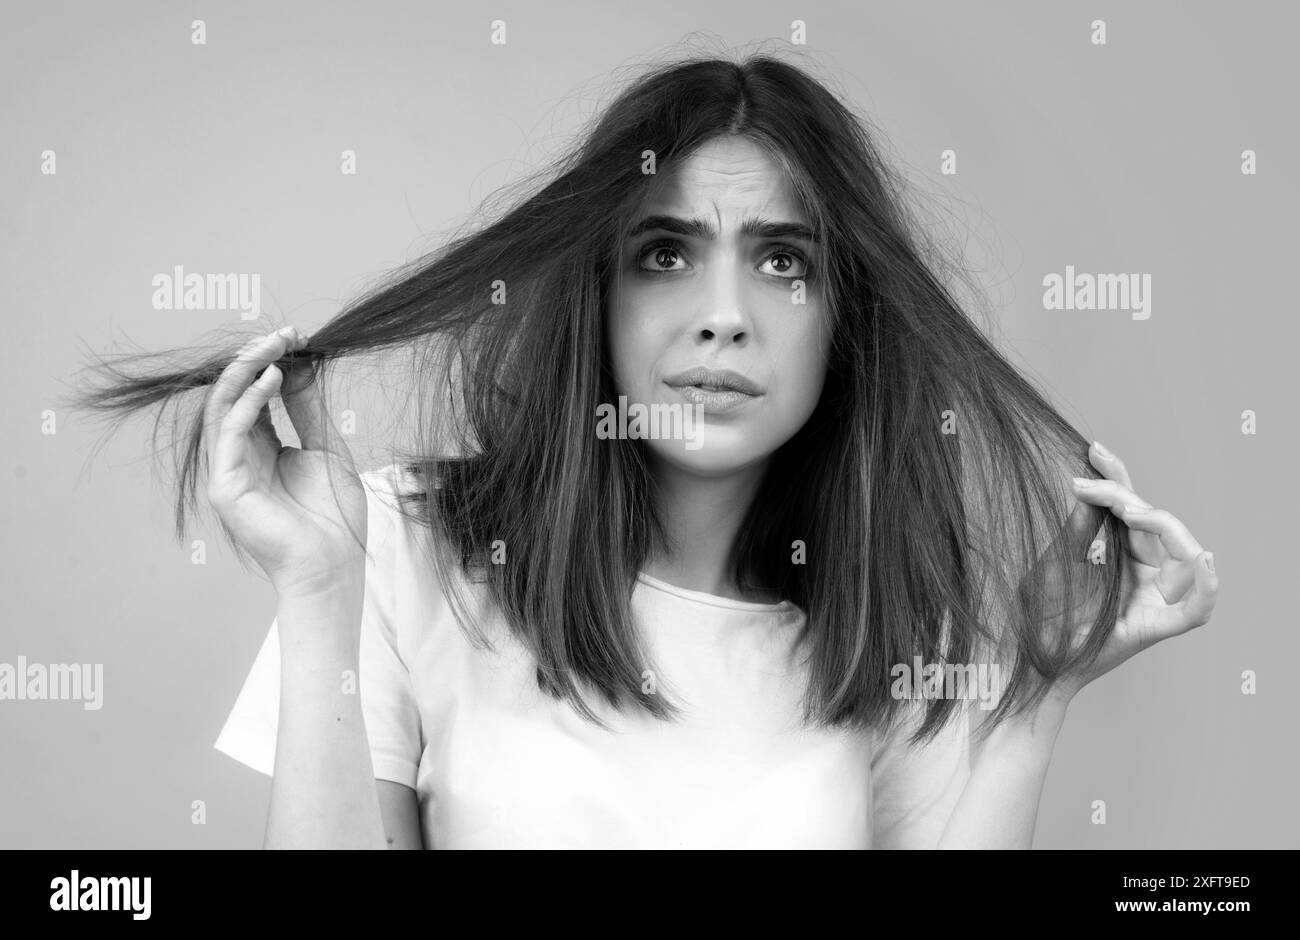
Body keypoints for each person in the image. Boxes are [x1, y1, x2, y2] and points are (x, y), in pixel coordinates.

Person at [70, 52, 1219, 849]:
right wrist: (318, 588)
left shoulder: (895, 629)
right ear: (598, 297)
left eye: (782, 262)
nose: (722, 315)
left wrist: (1033, 700)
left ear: (842, 322)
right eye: (665, 253)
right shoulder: (399, 549)